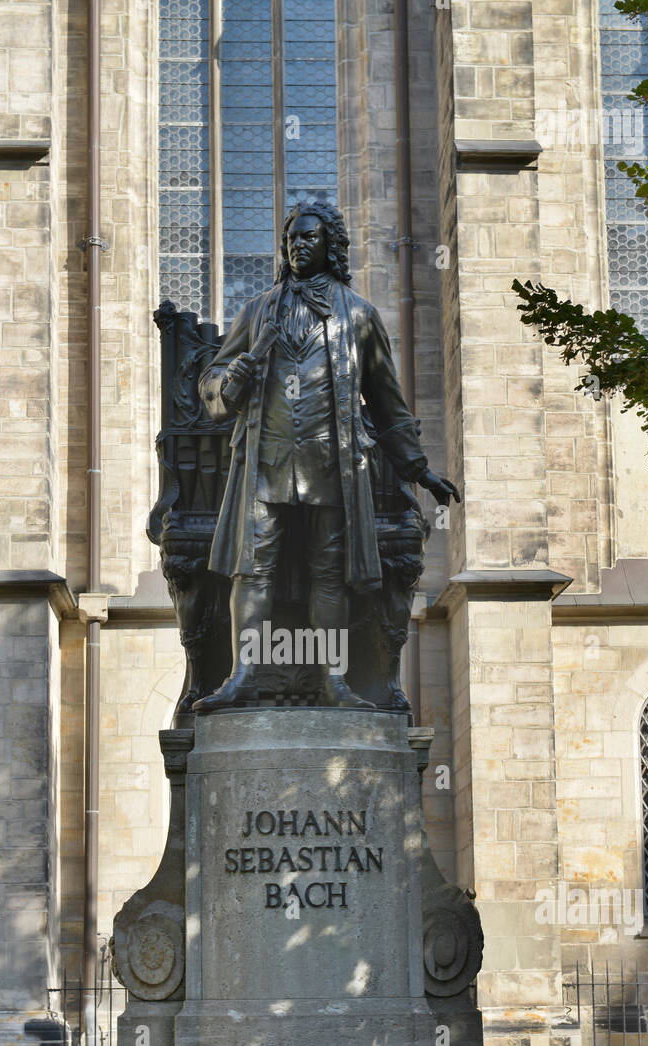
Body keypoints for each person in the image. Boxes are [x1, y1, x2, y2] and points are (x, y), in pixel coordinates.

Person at [194, 201, 459, 711]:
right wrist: (243, 370)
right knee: (252, 569)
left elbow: (387, 402)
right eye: (291, 239)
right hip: (264, 463)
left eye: (308, 239)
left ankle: (334, 679)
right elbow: (213, 385)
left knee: (329, 571)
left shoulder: (358, 316)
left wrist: (419, 469)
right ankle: (243, 674)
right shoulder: (256, 311)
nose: (297, 246)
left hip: (331, 464)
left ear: (330, 247)